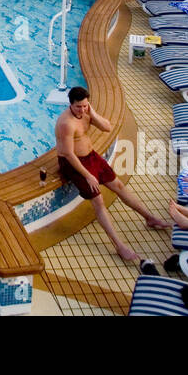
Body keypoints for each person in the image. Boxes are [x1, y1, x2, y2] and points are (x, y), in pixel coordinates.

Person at [56, 87, 169, 262]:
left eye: (85, 105)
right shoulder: (66, 123)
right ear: (70, 104)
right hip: (73, 164)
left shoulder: (87, 113)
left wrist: (92, 113)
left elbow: (107, 127)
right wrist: (87, 175)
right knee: (99, 201)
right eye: (79, 107)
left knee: (118, 185)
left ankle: (149, 218)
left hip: (91, 156)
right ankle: (119, 246)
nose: (82, 110)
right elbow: (69, 154)